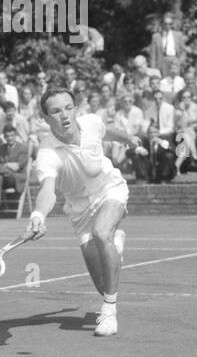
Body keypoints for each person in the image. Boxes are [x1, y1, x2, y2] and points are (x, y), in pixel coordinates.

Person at [28, 88, 135, 338]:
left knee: (101, 233)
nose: (64, 115)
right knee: (103, 283)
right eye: (55, 111)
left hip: (110, 189)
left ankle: (109, 312)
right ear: (45, 118)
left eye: (68, 108)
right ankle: (115, 247)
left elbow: (108, 131)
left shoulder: (91, 123)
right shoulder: (47, 154)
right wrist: (38, 216)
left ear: (75, 109)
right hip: (80, 211)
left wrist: (129, 139)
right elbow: (48, 191)